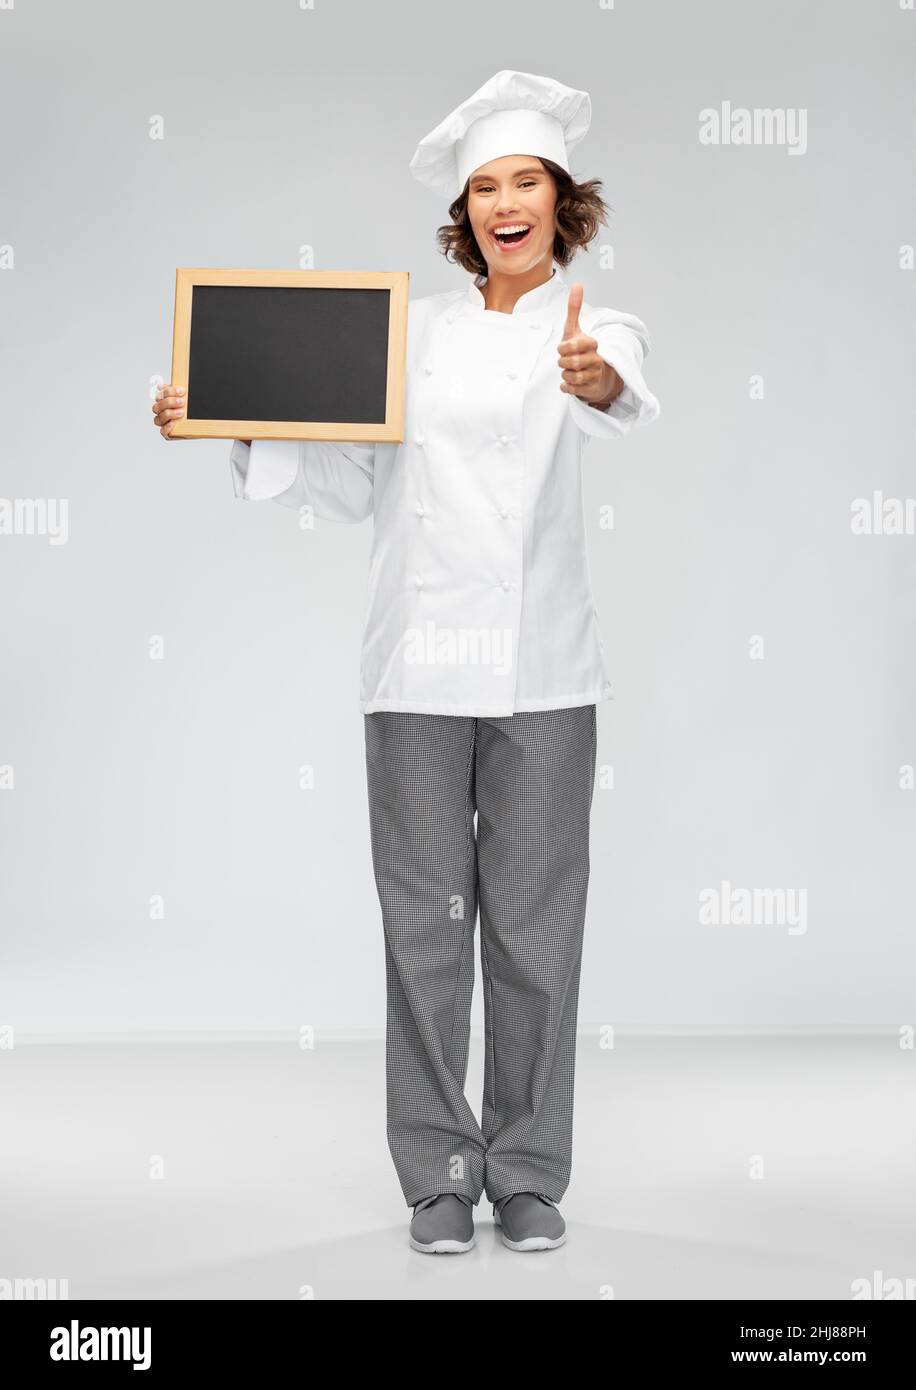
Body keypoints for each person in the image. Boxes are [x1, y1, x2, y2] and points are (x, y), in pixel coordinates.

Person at [153, 69, 660, 1255]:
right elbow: (347, 481)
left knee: (535, 927)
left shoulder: (597, 322)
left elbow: (615, 387)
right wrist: (231, 414)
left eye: (523, 179)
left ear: (561, 199)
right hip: (415, 668)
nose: (503, 203)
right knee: (425, 926)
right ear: (465, 213)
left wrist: (596, 378)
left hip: (542, 669)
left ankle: (528, 1167)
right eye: (483, 186)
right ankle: (438, 1170)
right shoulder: (406, 331)